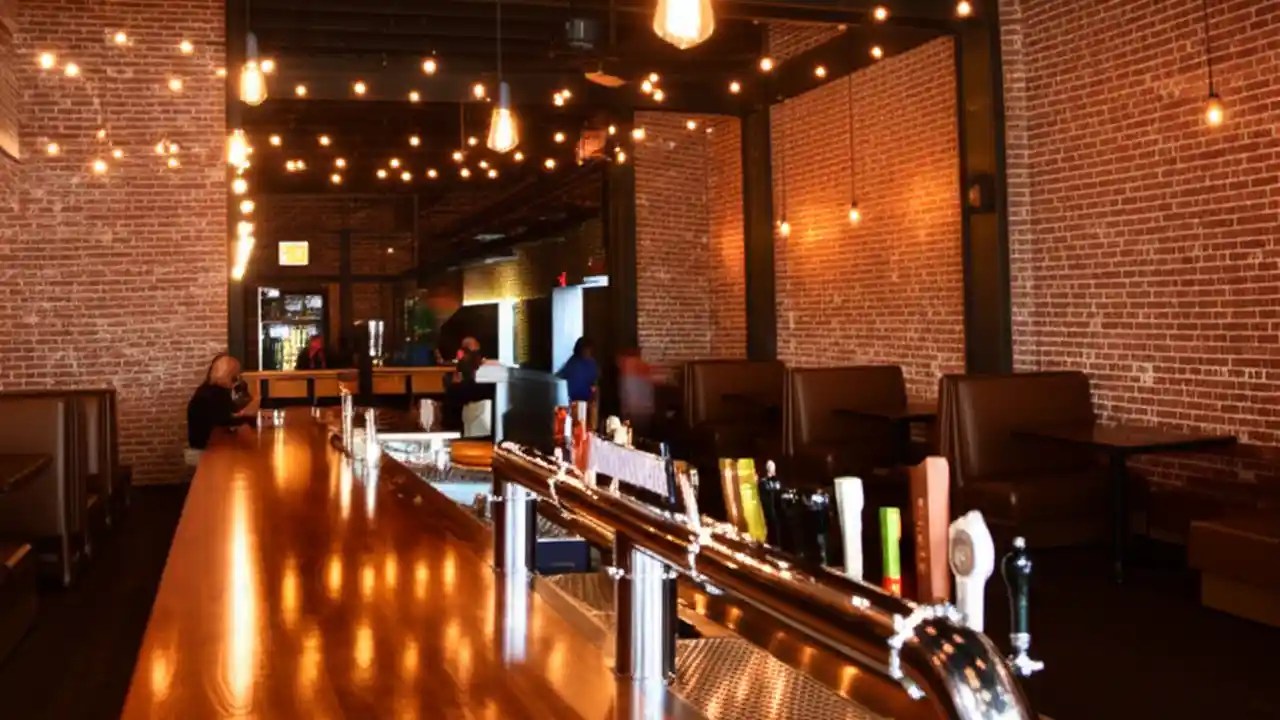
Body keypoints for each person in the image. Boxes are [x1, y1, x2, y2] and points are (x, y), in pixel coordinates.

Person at [187, 353, 260, 451]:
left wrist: (243, 415)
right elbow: (225, 423)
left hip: (204, 443)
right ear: (230, 375)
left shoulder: (208, 389)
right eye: (236, 375)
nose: (238, 378)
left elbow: (226, 415)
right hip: (206, 448)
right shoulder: (216, 394)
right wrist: (250, 420)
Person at [557, 337, 599, 404]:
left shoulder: (591, 363)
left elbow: (594, 383)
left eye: (589, 350)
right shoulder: (572, 361)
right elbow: (560, 376)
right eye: (585, 350)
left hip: (588, 400)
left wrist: (594, 399)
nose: (588, 352)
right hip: (573, 400)